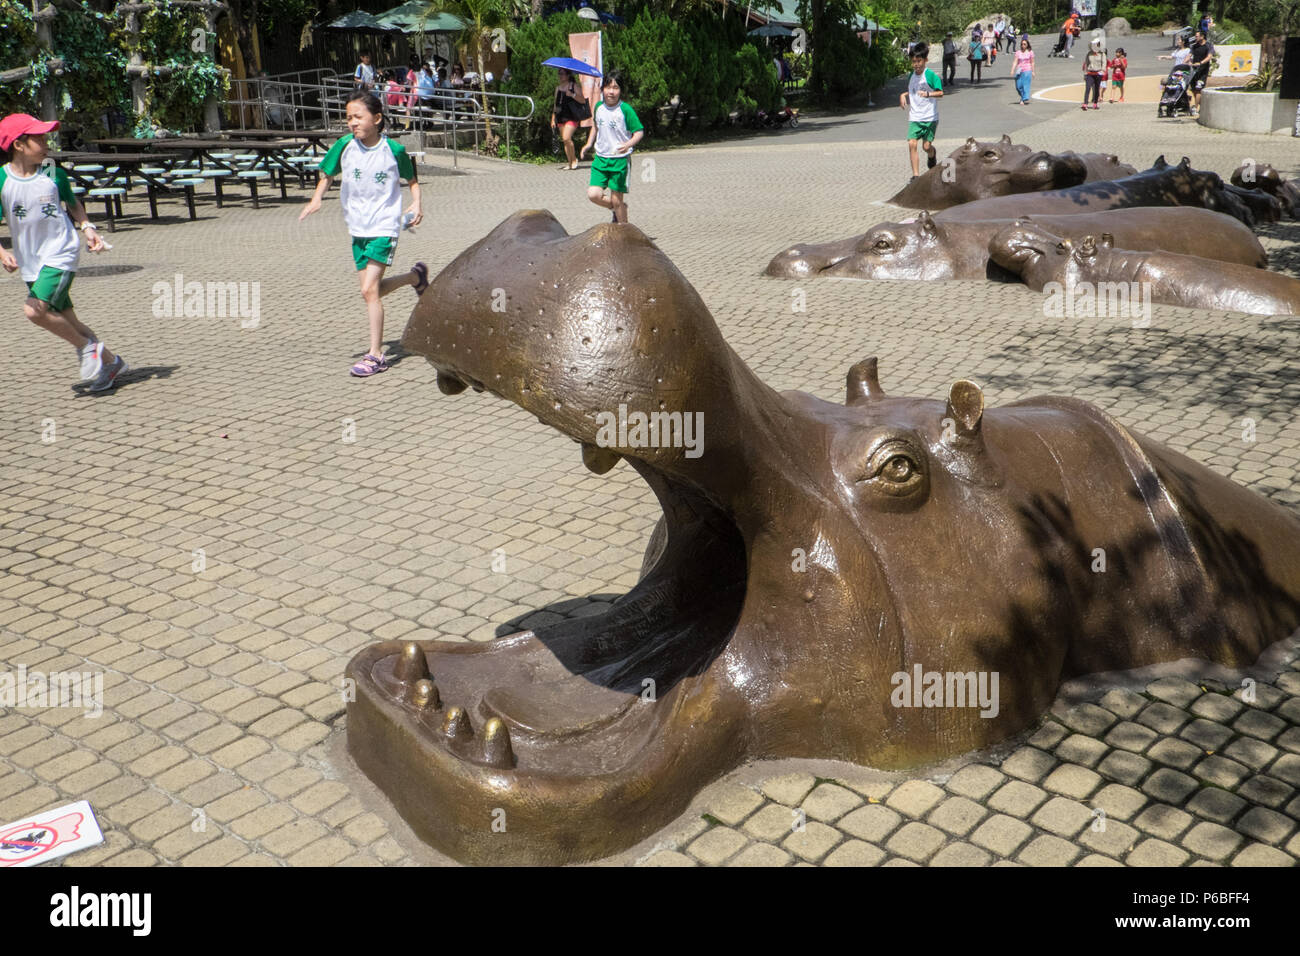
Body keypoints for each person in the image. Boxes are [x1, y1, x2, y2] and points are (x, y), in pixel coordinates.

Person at [299, 92, 427, 377]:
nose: (352, 123)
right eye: (348, 118)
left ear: (377, 118)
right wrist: (316, 198)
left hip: (385, 226)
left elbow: (412, 180)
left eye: (358, 117)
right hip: (357, 228)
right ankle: (415, 277)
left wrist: (417, 203)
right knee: (372, 291)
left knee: (369, 290)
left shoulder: (393, 150)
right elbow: (327, 173)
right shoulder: (345, 145)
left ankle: (376, 355)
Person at [0, 113, 126, 391]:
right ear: (19, 145)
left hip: (61, 253)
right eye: (39, 138)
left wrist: (88, 228)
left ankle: (85, 349)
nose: (46, 143)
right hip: (31, 260)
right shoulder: (2, 180)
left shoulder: (53, 174)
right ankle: (111, 362)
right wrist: (2, 253)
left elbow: (74, 205)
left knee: (34, 311)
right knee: (68, 320)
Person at [579, 72, 643, 225]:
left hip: (619, 160)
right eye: (608, 87)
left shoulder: (625, 110)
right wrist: (588, 144)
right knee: (593, 194)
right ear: (602, 89)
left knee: (616, 199)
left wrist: (628, 144)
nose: (611, 91)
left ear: (621, 91)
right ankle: (618, 208)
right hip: (601, 158)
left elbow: (639, 132)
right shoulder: (598, 107)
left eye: (616, 88)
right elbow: (596, 126)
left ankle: (625, 233)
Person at [900, 43, 942, 178]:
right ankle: (916, 176)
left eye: (919, 61)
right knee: (912, 143)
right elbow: (913, 90)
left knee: (926, 147)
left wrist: (928, 94)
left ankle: (932, 155)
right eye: (914, 62)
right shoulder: (911, 76)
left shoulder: (930, 76)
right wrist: (904, 95)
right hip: (915, 117)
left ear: (925, 61)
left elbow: (940, 93)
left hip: (930, 117)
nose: (916, 64)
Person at [551, 68, 590, 172]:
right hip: (560, 116)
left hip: (571, 116)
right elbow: (555, 104)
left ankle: (574, 160)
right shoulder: (558, 88)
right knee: (565, 141)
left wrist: (572, 94)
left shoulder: (574, 86)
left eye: (562, 74)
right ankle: (570, 161)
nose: (560, 76)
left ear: (568, 75)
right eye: (559, 73)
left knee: (566, 137)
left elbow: (582, 100)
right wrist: (553, 118)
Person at [1189, 29, 1214, 114]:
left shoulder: (1208, 46)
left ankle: (1195, 108)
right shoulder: (1194, 46)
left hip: (1202, 71)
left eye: (1197, 36)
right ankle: (1202, 106)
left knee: (1198, 88)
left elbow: (1209, 56)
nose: (1195, 38)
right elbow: (1189, 55)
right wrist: (1186, 62)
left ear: (1202, 36)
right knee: (1194, 90)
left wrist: (1200, 63)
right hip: (1194, 71)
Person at [1082, 37, 1106, 110]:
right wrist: (1085, 73)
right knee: (1088, 88)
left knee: (1096, 89)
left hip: (1098, 73)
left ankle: (1095, 103)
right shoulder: (1089, 54)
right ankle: (1085, 103)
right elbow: (1086, 63)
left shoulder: (1102, 54)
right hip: (1090, 73)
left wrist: (1102, 70)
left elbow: (1104, 63)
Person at [1011, 37, 1034, 105]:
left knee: (1025, 85)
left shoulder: (1030, 52)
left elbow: (1032, 62)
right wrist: (1012, 70)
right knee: (1018, 86)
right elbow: (1015, 62)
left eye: (1024, 44)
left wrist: (1033, 71)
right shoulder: (1018, 52)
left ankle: (1023, 99)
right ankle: (1023, 96)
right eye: (1022, 44)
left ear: (1027, 45)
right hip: (1019, 70)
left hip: (1027, 70)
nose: (1023, 45)